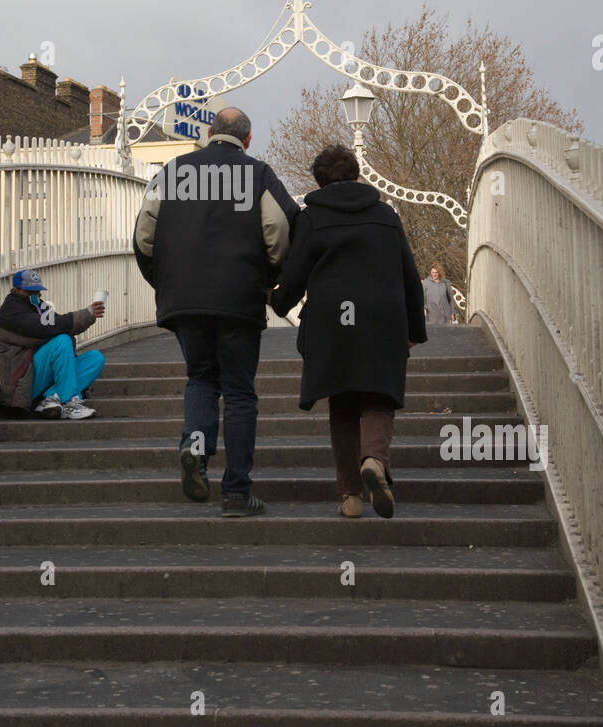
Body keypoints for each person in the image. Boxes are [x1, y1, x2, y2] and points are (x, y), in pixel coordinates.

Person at [133, 107, 299, 516]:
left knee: (201, 378)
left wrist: (165, 281)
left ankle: (195, 448)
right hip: (238, 299)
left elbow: (143, 235)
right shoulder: (257, 173)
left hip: (184, 300)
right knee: (240, 393)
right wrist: (270, 276)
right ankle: (237, 492)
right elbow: (279, 231)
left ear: (210, 133)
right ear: (246, 139)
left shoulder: (172, 172)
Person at [271, 144, 426, 519]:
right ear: (356, 173)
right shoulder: (386, 215)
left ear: (320, 181)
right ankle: (373, 459)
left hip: (332, 321)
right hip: (381, 318)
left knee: (342, 405)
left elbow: (295, 275)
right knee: (379, 395)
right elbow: (409, 275)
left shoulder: (311, 219)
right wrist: (413, 329)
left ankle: (351, 497)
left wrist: (278, 301)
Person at [0, 269, 105, 420]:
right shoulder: (10, 313)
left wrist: (88, 315)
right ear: (16, 289)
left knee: (95, 358)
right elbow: (48, 327)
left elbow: (59, 324)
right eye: (29, 292)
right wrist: (86, 313)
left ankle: (51, 397)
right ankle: (68, 401)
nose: (34, 296)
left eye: (37, 292)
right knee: (61, 340)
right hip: (23, 385)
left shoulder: (37, 305)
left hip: (41, 376)